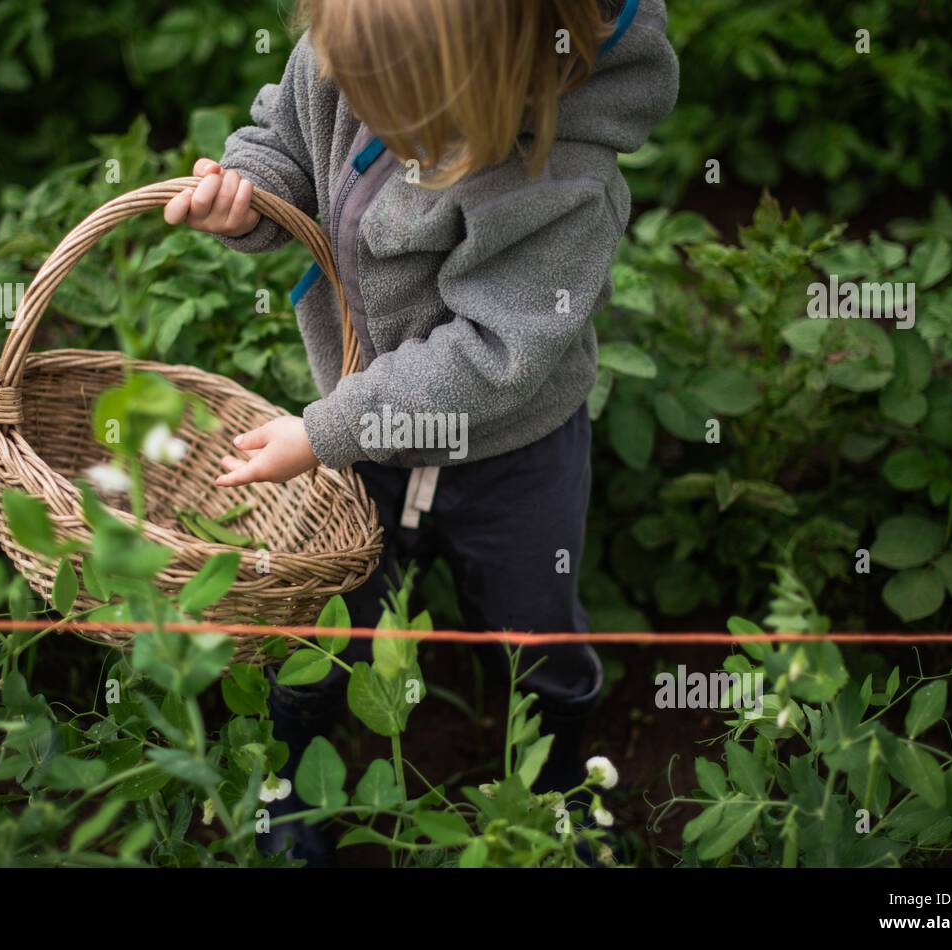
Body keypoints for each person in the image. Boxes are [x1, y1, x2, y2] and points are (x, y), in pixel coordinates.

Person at [163, 0, 678, 864]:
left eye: (405, 116)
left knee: (531, 621)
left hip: (515, 450)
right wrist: (248, 197)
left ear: (499, 75)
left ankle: (555, 788)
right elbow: (286, 140)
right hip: (360, 424)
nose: (369, 121)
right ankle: (290, 788)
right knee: (327, 614)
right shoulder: (359, 43)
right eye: (352, 88)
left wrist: (328, 430)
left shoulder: (562, 164)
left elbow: (493, 352)